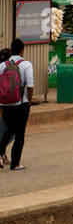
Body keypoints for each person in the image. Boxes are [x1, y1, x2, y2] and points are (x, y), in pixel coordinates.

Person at [0, 39, 36, 171]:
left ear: (11, 49)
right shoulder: (26, 64)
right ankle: (15, 163)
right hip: (21, 103)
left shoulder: (3, 65)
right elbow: (30, 85)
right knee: (20, 134)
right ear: (22, 50)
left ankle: (1, 151)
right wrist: (29, 101)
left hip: (5, 103)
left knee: (9, 130)